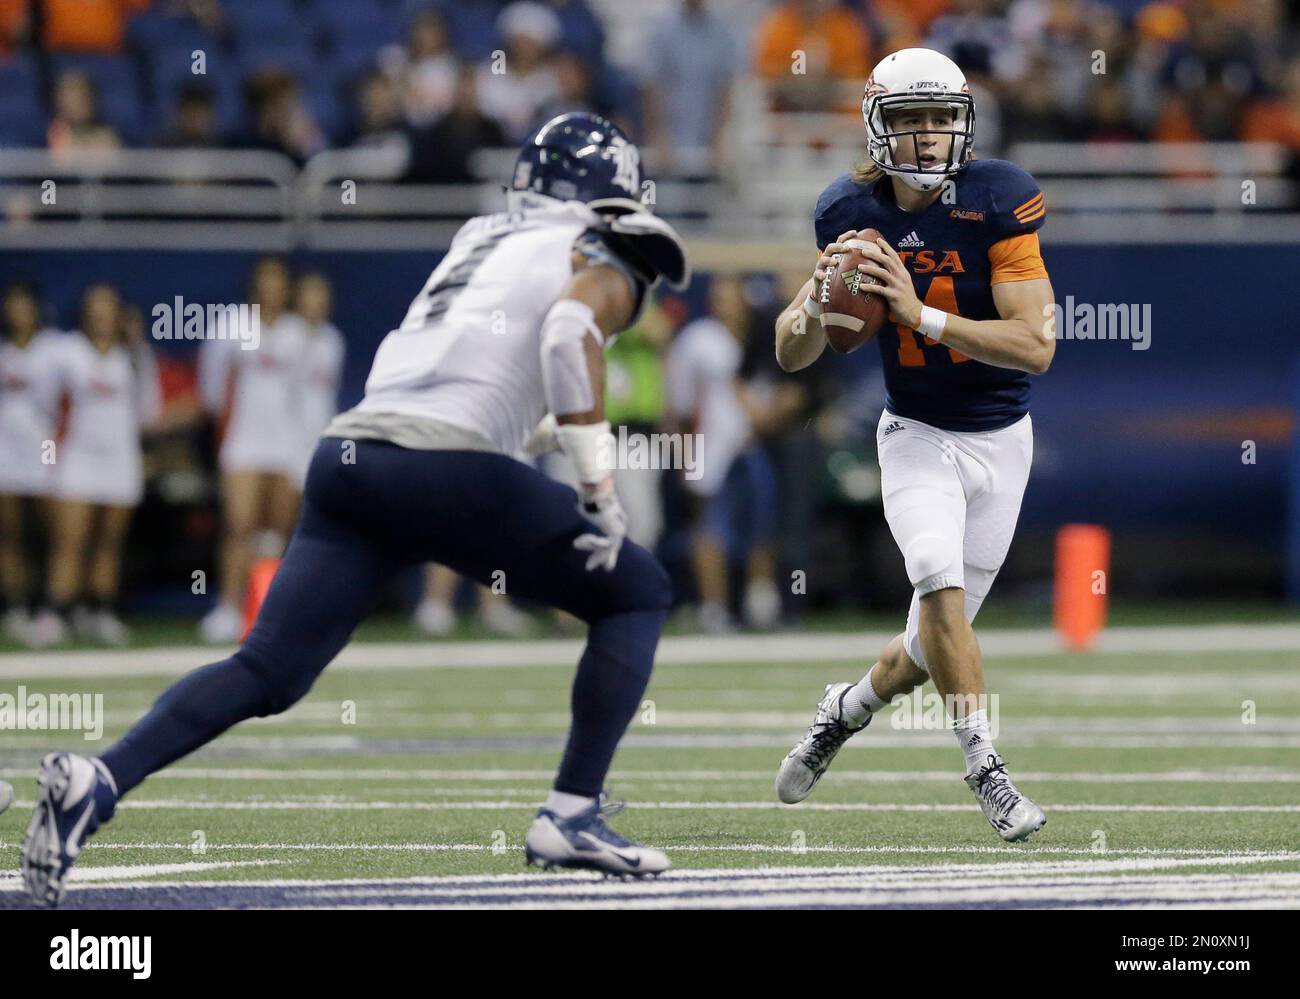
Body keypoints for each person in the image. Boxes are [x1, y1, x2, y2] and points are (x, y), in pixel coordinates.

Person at [21, 112, 690, 907]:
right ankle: (571, 813)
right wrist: (597, 486)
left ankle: (99, 778)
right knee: (637, 588)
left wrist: (538, 434)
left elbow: (480, 375)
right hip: (439, 463)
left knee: (267, 668)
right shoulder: (592, 244)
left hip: (352, 460)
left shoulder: (483, 236)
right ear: (610, 198)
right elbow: (568, 332)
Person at [772, 48, 1055, 842]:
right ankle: (988, 771)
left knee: (924, 647)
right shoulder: (849, 214)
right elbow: (794, 350)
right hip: (917, 433)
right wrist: (811, 314)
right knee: (937, 581)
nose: (929, 136)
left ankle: (843, 709)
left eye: (942, 118)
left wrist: (917, 312)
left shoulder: (998, 199)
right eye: (910, 119)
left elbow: (1035, 346)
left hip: (1001, 439)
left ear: (964, 124)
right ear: (877, 125)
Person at [197, 258, 307, 644]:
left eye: (279, 281)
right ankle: (228, 607)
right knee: (240, 526)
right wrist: (224, 428)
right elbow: (211, 385)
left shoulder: (298, 333)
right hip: (243, 440)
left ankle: (269, 608)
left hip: (285, 442)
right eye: (265, 281)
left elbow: (301, 393)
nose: (272, 288)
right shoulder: (232, 324)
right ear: (255, 286)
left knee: (276, 532)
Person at [46, 286, 160, 646]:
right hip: (77, 457)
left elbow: (148, 411)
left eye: (109, 307)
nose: (102, 314)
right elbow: (46, 402)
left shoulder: (135, 356)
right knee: (71, 540)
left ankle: (100, 611)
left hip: (120, 459)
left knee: (109, 542)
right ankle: (57, 611)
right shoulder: (67, 352)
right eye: (95, 306)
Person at [0, 282, 65, 647]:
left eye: (25, 305)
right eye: (12, 305)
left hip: (44, 447)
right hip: (5, 449)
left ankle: (49, 606)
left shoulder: (54, 350)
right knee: (10, 533)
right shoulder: (4, 351)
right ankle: (16, 606)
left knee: (48, 531)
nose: (18, 312)